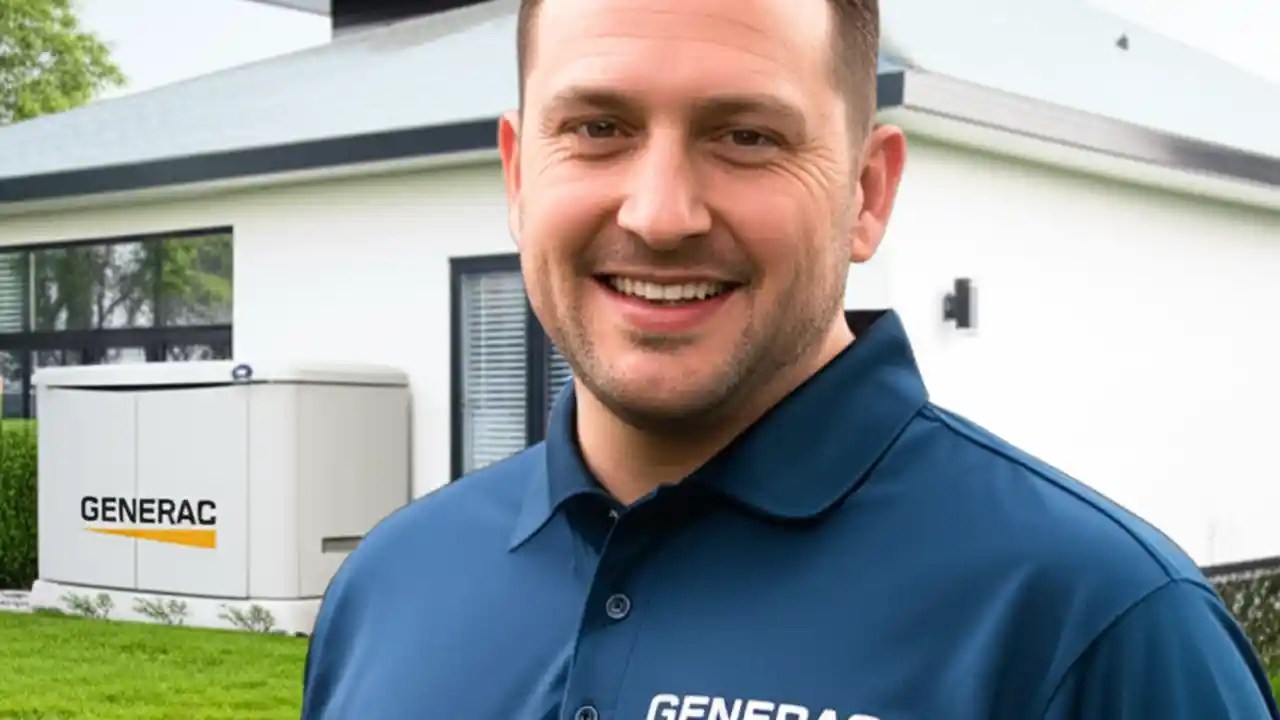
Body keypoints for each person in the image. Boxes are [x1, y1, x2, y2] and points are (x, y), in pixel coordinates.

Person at [300, 0, 1280, 717]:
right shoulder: (387, 589)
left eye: (746, 136)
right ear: (518, 176)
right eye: (597, 128)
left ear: (866, 193)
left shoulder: (1094, 626)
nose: (661, 214)